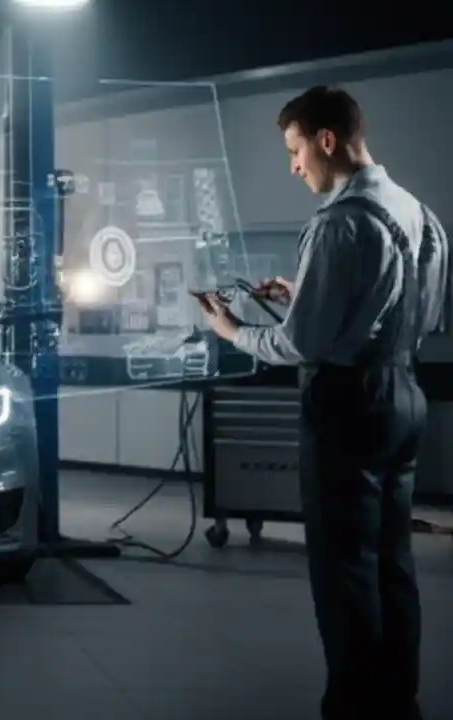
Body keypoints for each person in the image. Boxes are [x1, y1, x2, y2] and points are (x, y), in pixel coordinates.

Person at [197, 85, 449, 720]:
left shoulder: (337, 222)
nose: (294, 165)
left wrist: (233, 331)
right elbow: (412, 316)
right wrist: (305, 293)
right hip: (404, 397)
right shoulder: (419, 212)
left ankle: (354, 705)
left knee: (343, 571)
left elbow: (301, 344)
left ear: (326, 140)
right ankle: (397, 700)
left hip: (347, 405)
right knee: (391, 561)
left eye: (295, 148)